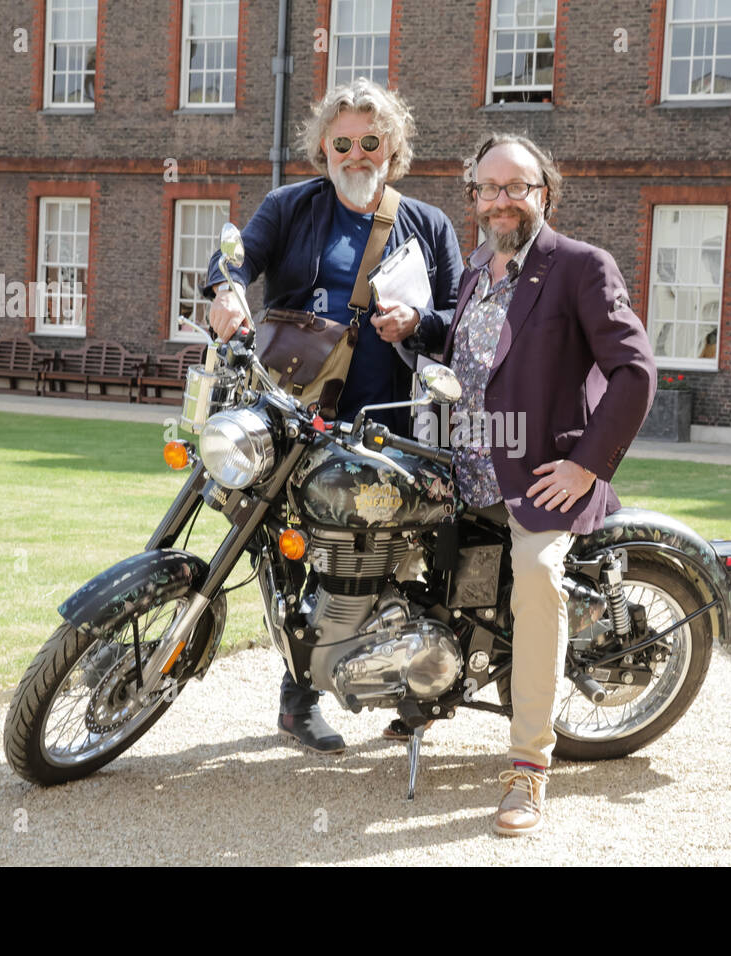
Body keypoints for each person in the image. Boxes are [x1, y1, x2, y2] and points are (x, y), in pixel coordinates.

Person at [203, 79, 462, 754]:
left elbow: (464, 318)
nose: (356, 154)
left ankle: (420, 691)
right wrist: (225, 291)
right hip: (293, 415)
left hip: (394, 424)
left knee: (405, 558)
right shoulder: (291, 206)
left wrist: (420, 322)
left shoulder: (428, 223)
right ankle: (298, 701)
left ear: (394, 147)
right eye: (342, 142)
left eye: (370, 142)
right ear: (323, 146)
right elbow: (236, 259)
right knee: (290, 555)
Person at [424, 132, 655, 835]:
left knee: (536, 578)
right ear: (474, 199)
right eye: (489, 188)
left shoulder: (580, 265)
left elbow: (635, 370)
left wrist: (588, 462)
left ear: (542, 193)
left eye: (516, 186)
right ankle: (420, 691)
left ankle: (528, 767)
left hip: (542, 478)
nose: (502, 199)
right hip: (460, 469)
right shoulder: (473, 273)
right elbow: (470, 363)